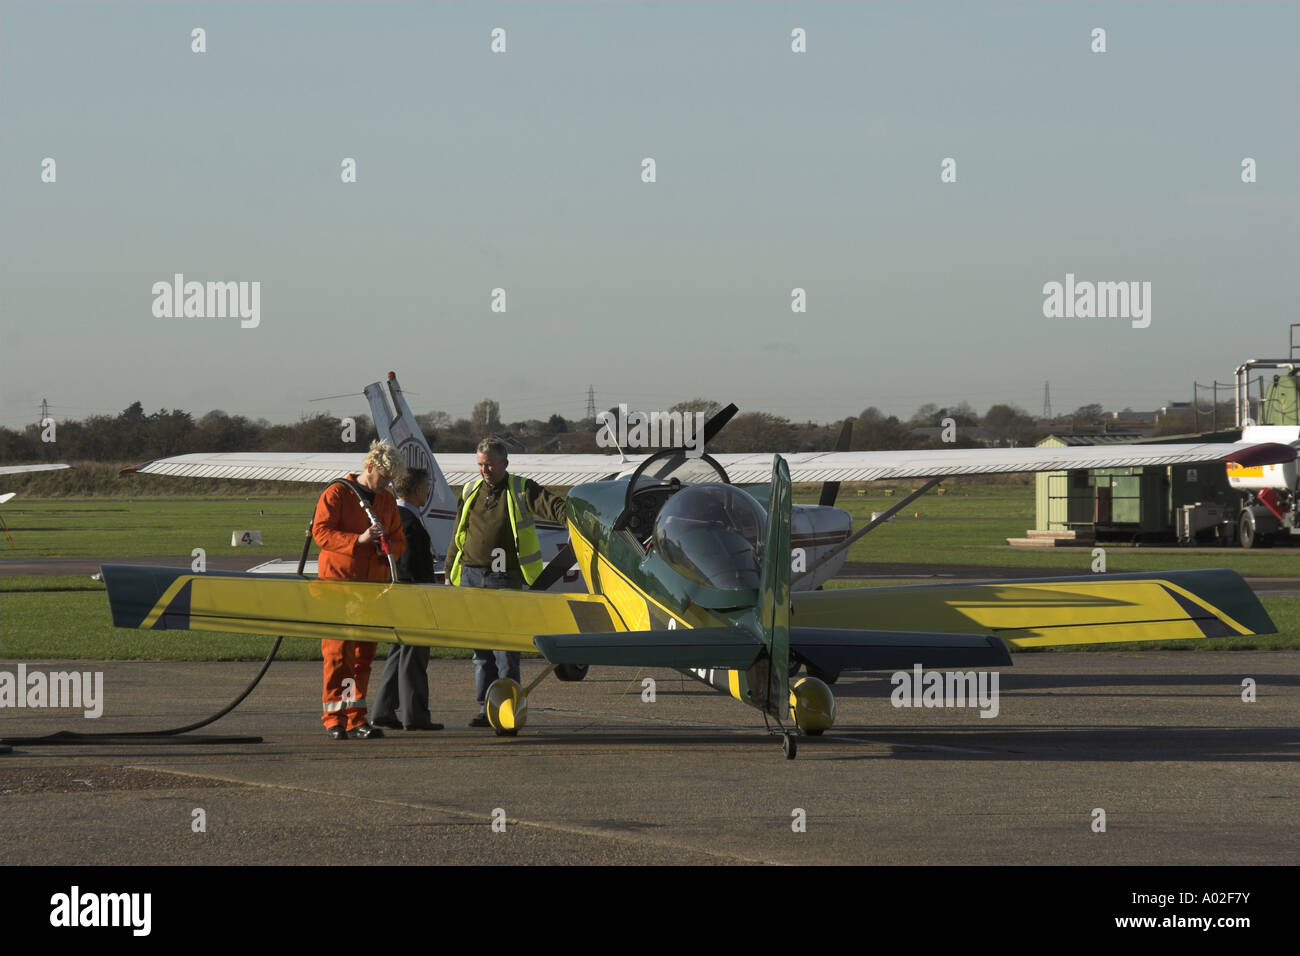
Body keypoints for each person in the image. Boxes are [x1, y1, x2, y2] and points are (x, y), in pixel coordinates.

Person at [447, 437, 567, 727]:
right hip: (471, 576)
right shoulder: (470, 490)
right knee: (480, 649)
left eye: (489, 464)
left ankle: (507, 707)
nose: (484, 469)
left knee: (505, 650)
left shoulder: (521, 488)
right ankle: (483, 708)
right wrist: (451, 569)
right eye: (480, 464)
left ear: (504, 463)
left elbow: (555, 507)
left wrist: (573, 523)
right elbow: (458, 532)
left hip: (504, 577)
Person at [313, 440, 406, 740]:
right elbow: (321, 533)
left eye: (391, 480)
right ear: (370, 467)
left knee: (363, 655)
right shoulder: (338, 493)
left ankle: (356, 717)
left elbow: (399, 540)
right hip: (337, 588)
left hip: (371, 591)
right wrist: (358, 540)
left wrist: (385, 549)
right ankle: (333, 717)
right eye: (385, 478)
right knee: (338, 655)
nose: (387, 484)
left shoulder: (387, 500)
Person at [370, 467, 443, 731]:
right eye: (426, 488)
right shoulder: (410, 522)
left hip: (396, 593)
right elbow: (411, 565)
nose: (427, 492)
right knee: (414, 657)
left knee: (397, 652)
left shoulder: (395, 516)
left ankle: (383, 710)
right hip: (414, 596)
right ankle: (416, 716)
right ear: (418, 490)